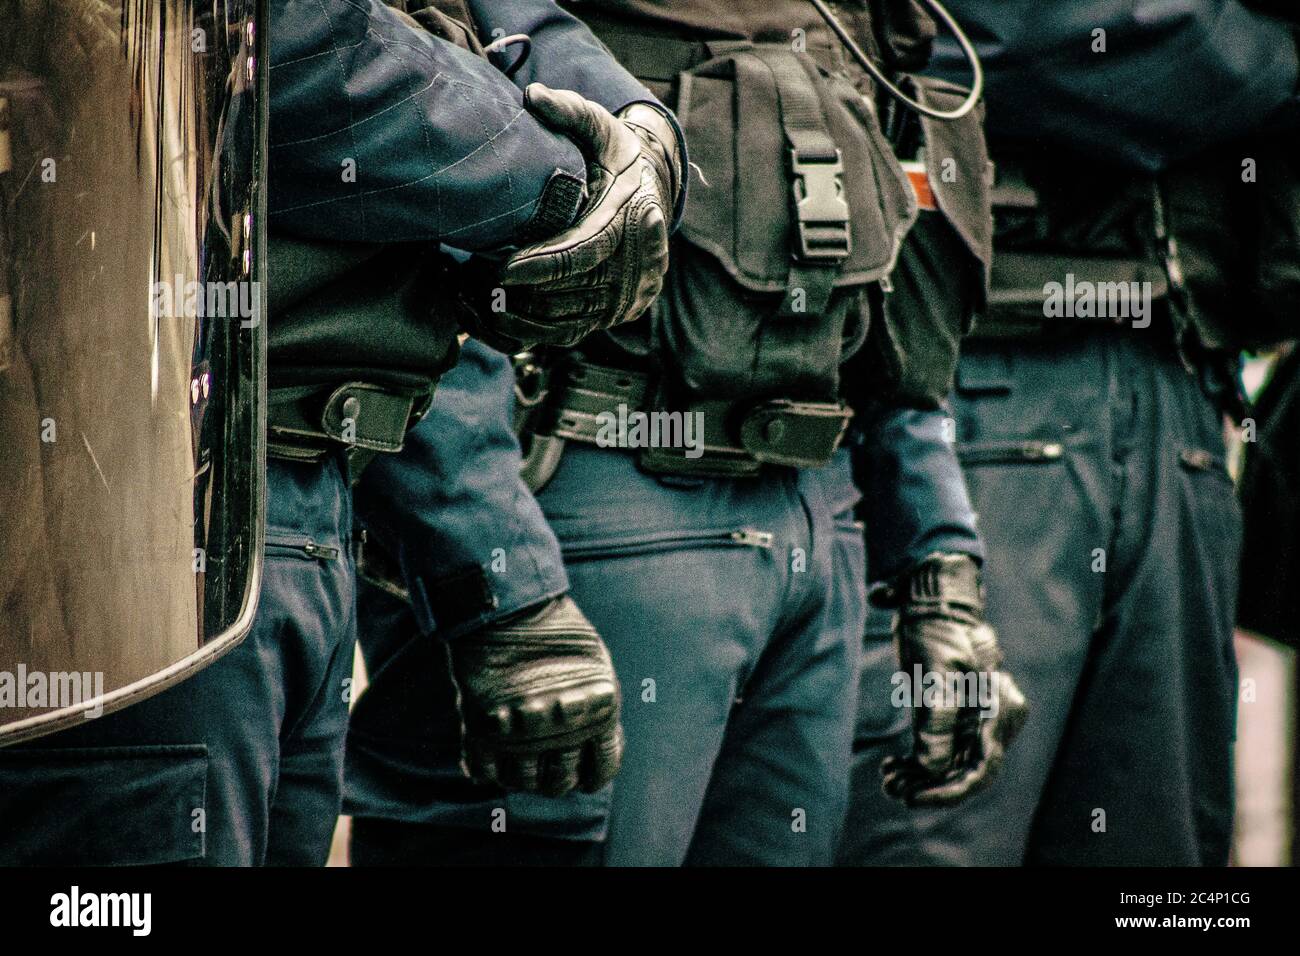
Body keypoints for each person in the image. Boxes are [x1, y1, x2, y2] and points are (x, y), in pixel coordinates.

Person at [344, 0, 1026, 867]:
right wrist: (499, 582)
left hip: (815, 533)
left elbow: (898, 314)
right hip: (583, 509)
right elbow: (414, 252)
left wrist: (939, 565)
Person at [0, 0, 674, 865]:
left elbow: (502, 18)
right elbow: (268, 40)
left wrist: (639, 137)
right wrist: (562, 178)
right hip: (136, 506)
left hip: (308, 516)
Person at [846, 0, 1300, 865]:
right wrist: (1269, 50)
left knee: (1158, 868)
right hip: (974, 385)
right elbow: (1009, 41)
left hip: (1178, 377)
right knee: (936, 833)